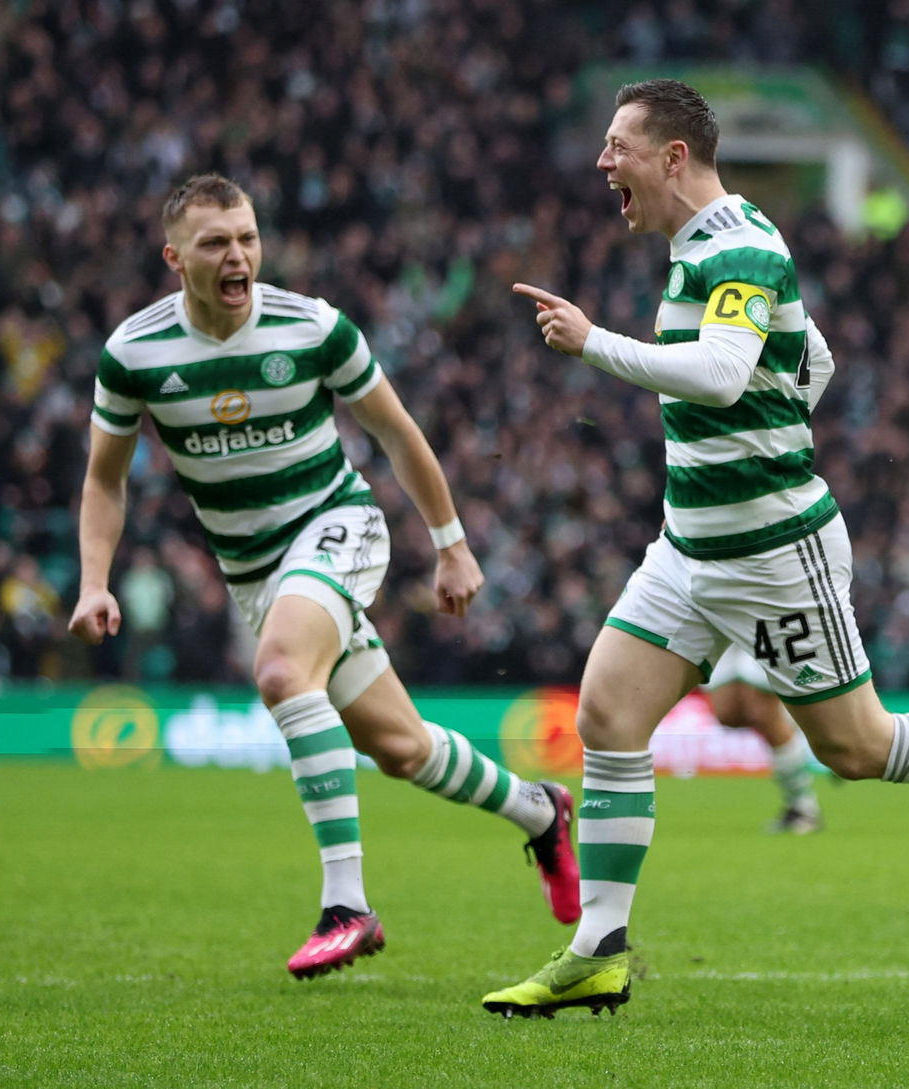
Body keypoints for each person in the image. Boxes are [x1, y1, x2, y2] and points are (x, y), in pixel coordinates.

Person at [482, 80, 909, 1019]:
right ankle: (599, 948)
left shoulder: (740, 245)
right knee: (609, 716)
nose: (601, 161)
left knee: (858, 747)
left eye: (617, 144)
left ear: (672, 156)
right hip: (689, 545)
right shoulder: (701, 243)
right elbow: (811, 360)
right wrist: (773, 425)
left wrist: (593, 345)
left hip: (774, 552)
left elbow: (719, 371)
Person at [67, 173, 580, 981]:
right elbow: (105, 477)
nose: (238, 255)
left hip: (338, 527)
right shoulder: (134, 353)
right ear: (175, 257)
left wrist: (451, 542)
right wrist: (95, 579)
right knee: (401, 746)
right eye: (215, 243)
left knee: (279, 670)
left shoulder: (311, 327)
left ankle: (348, 904)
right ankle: (539, 809)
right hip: (255, 572)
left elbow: (398, 433)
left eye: (247, 237)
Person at [706, 644, 823, 834]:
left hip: (758, 621)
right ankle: (813, 727)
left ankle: (803, 807)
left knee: (764, 713)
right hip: (719, 622)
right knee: (728, 713)